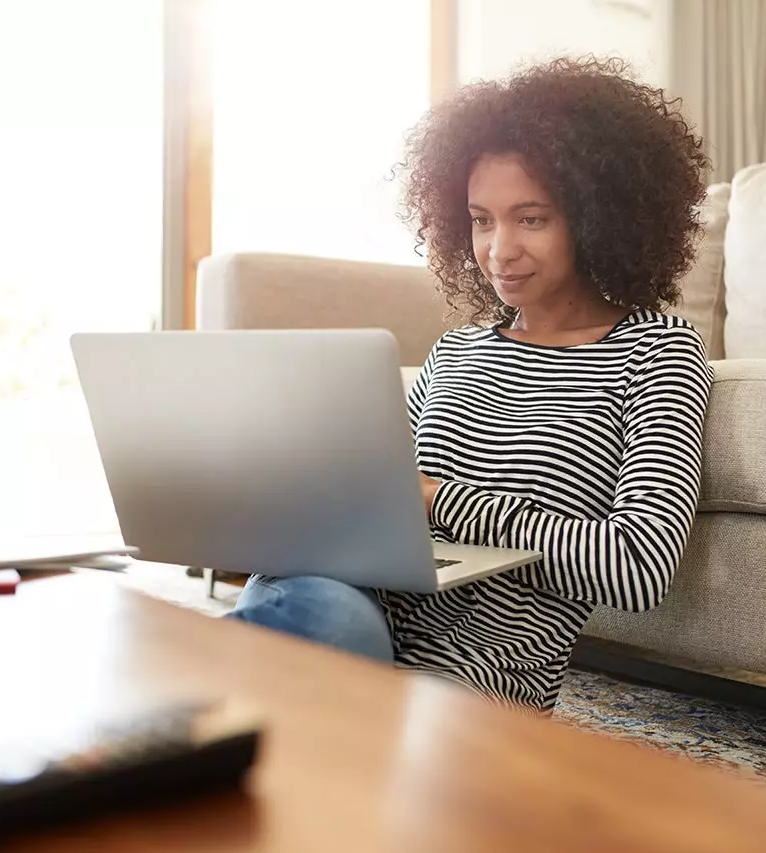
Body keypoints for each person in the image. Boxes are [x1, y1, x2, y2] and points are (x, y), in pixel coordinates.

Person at [227, 56, 714, 714]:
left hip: (475, 679)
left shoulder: (656, 353)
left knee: (307, 631)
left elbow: (637, 565)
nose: (499, 250)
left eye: (531, 218)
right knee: (306, 599)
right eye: (482, 220)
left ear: (599, 217)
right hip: (351, 606)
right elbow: (380, 495)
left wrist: (440, 499)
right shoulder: (457, 349)